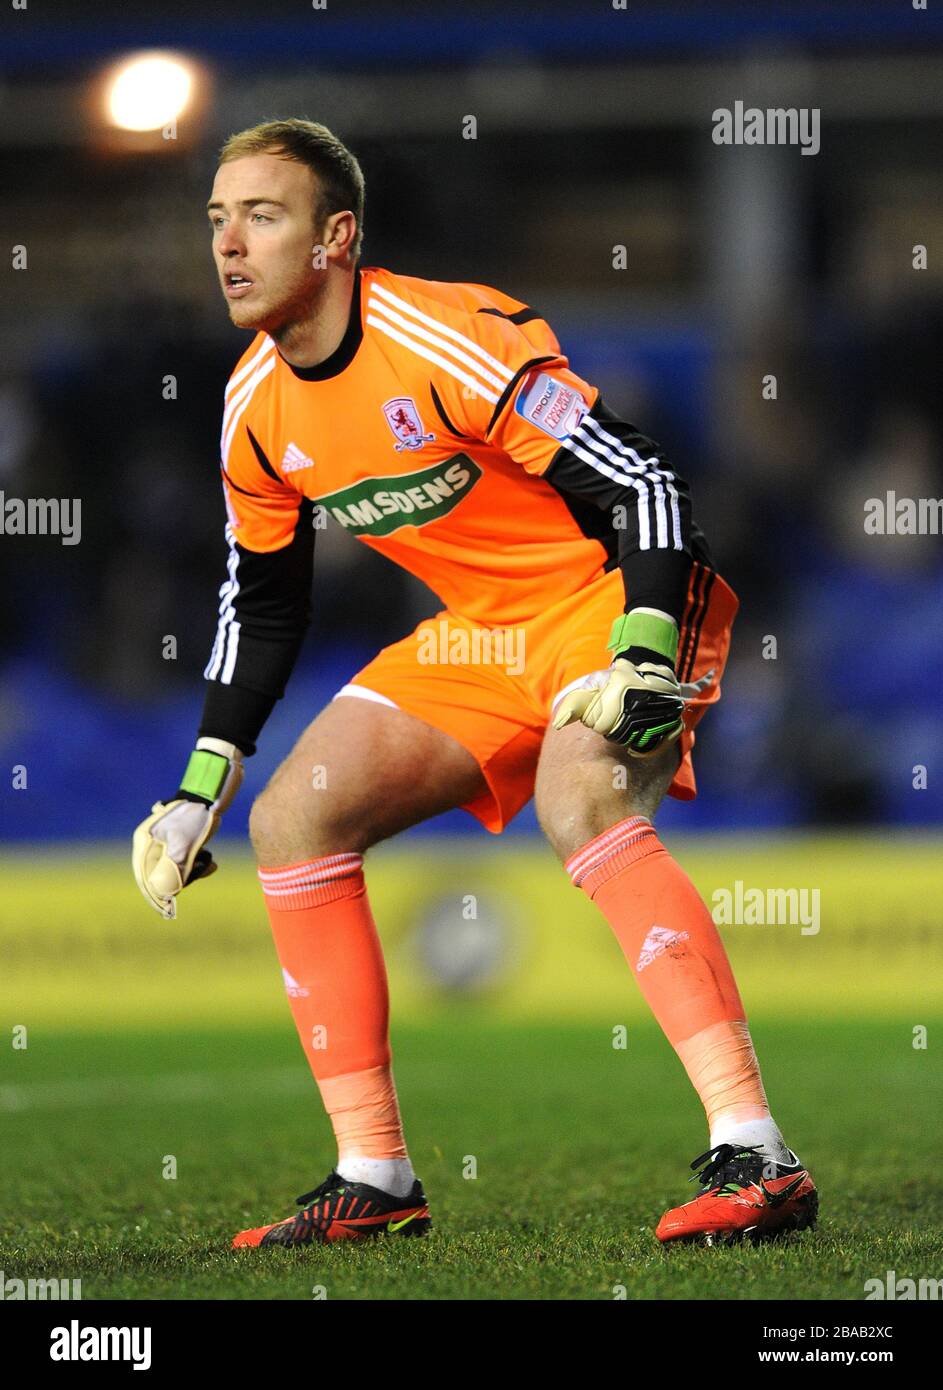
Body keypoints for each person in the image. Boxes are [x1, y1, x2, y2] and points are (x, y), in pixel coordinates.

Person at [132, 118, 817, 1248]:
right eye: (217, 219)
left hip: (611, 595)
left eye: (262, 215)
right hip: (482, 638)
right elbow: (262, 601)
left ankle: (760, 1153)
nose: (229, 245)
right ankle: (377, 1175)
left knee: (580, 801)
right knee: (293, 817)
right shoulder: (252, 402)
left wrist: (644, 651)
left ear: (336, 236)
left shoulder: (443, 337)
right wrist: (201, 781)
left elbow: (641, 483)